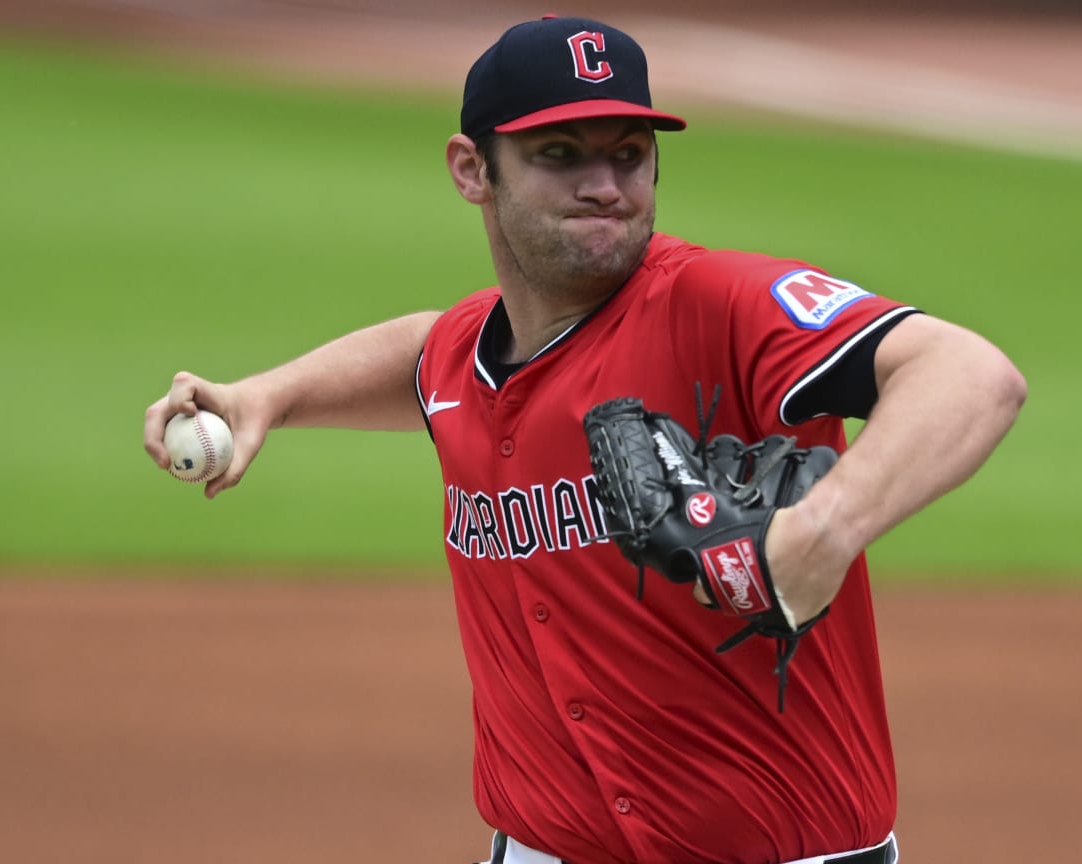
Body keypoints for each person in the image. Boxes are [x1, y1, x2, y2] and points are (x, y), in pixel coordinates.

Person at [143, 15, 1026, 864]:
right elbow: (427, 350)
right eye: (558, 155)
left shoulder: (718, 307)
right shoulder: (467, 357)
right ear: (471, 168)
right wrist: (271, 395)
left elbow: (972, 374)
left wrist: (823, 530)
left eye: (628, 155)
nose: (604, 183)